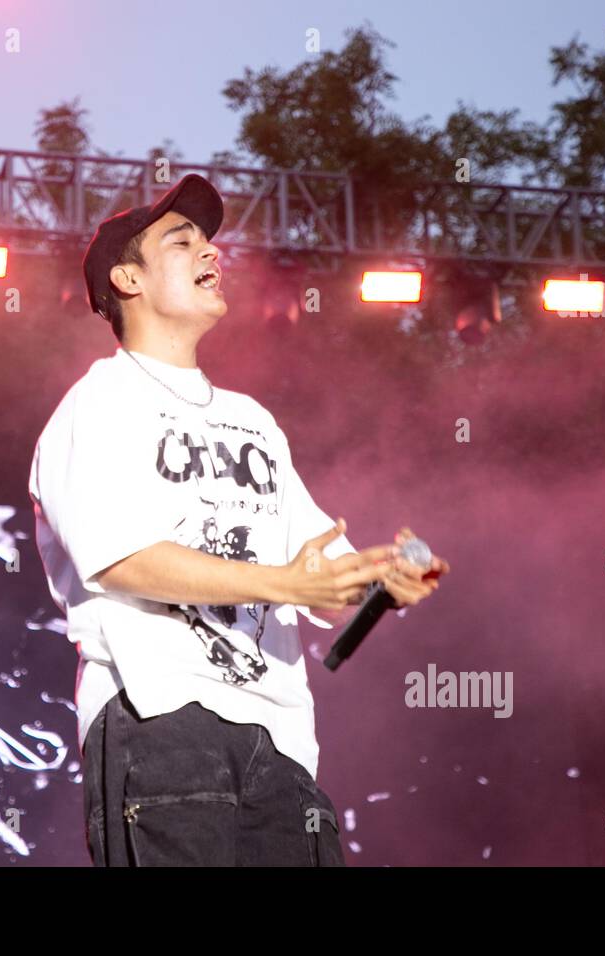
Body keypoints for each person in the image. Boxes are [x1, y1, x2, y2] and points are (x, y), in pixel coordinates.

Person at [28, 173, 449, 866]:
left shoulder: (251, 420)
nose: (211, 252)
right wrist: (286, 584)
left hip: (278, 737)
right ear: (128, 280)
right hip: (160, 719)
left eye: (209, 242)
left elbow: (314, 576)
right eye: (181, 242)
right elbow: (122, 558)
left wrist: (379, 580)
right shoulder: (97, 403)